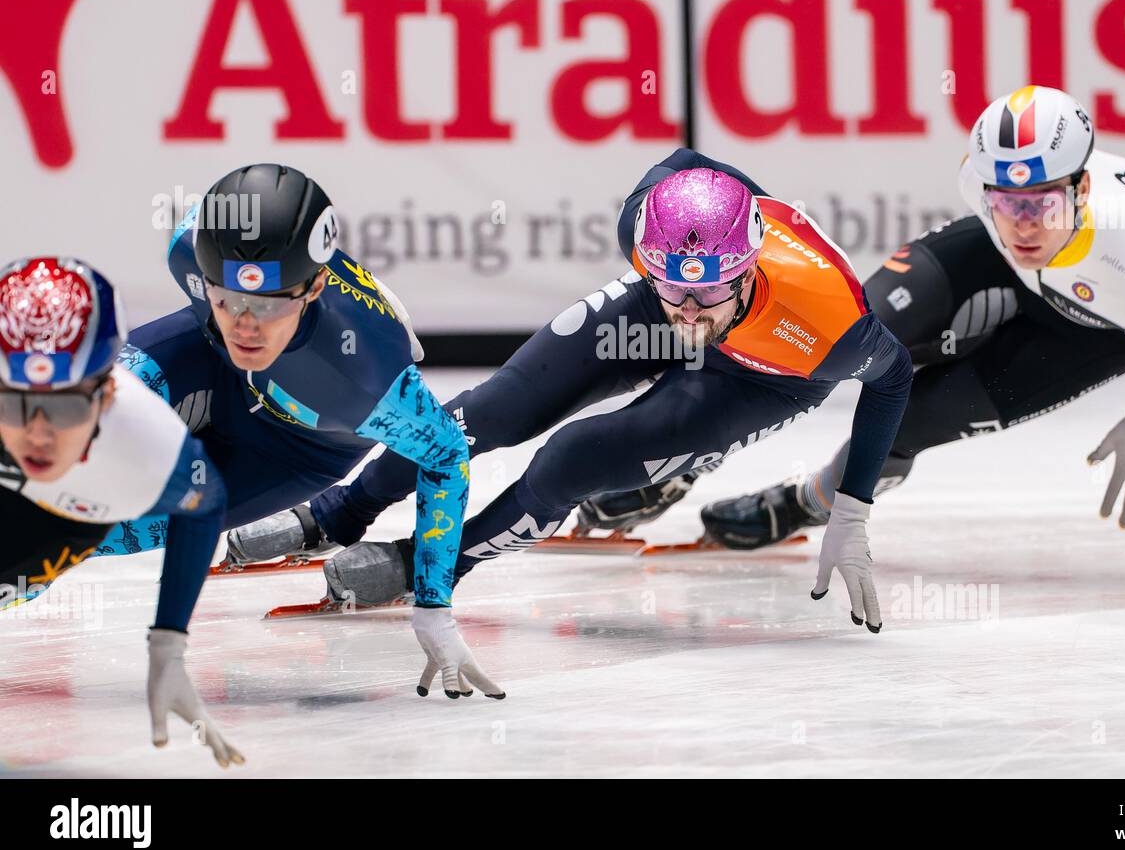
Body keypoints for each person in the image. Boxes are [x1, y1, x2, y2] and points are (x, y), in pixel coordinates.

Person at [228, 151, 914, 634]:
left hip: (766, 374)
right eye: (673, 285)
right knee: (495, 407)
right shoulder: (656, 247)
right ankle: (340, 511)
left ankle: (432, 563)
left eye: (706, 291)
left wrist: (851, 511)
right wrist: (682, 293)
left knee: (573, 460)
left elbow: (894, 377)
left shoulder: (829, 325)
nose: (689, 312)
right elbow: (682, 167)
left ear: (748, 267)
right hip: (676, 304)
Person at [690, 85, 1125, 548]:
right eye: (1005, 203)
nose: (1024, 226)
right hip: (998, 265)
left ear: (1084, 188)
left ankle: (805, 503)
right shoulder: (979, 180)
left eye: (1043, 205)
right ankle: (683, 455)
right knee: (840, 331)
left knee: (907, 425)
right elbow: (1014, 211)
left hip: (1094, 328)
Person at [97, 163, 498, 700]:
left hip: (295, 451)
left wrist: (434, 608)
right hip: (210, 363)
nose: (246, 326)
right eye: (226, 299)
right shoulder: (191, 248)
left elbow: (446, 455)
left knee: (90, 525)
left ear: (313, 287)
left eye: (268, 305)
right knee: (72, 426)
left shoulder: (360, 377)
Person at [0, 256, 239, 766]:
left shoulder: (151, 451)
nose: (37, 433)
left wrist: (167, 648)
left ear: (107, 394)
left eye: (63, 405)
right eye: (15, 402)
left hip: (62, 519)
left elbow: (205, 506)